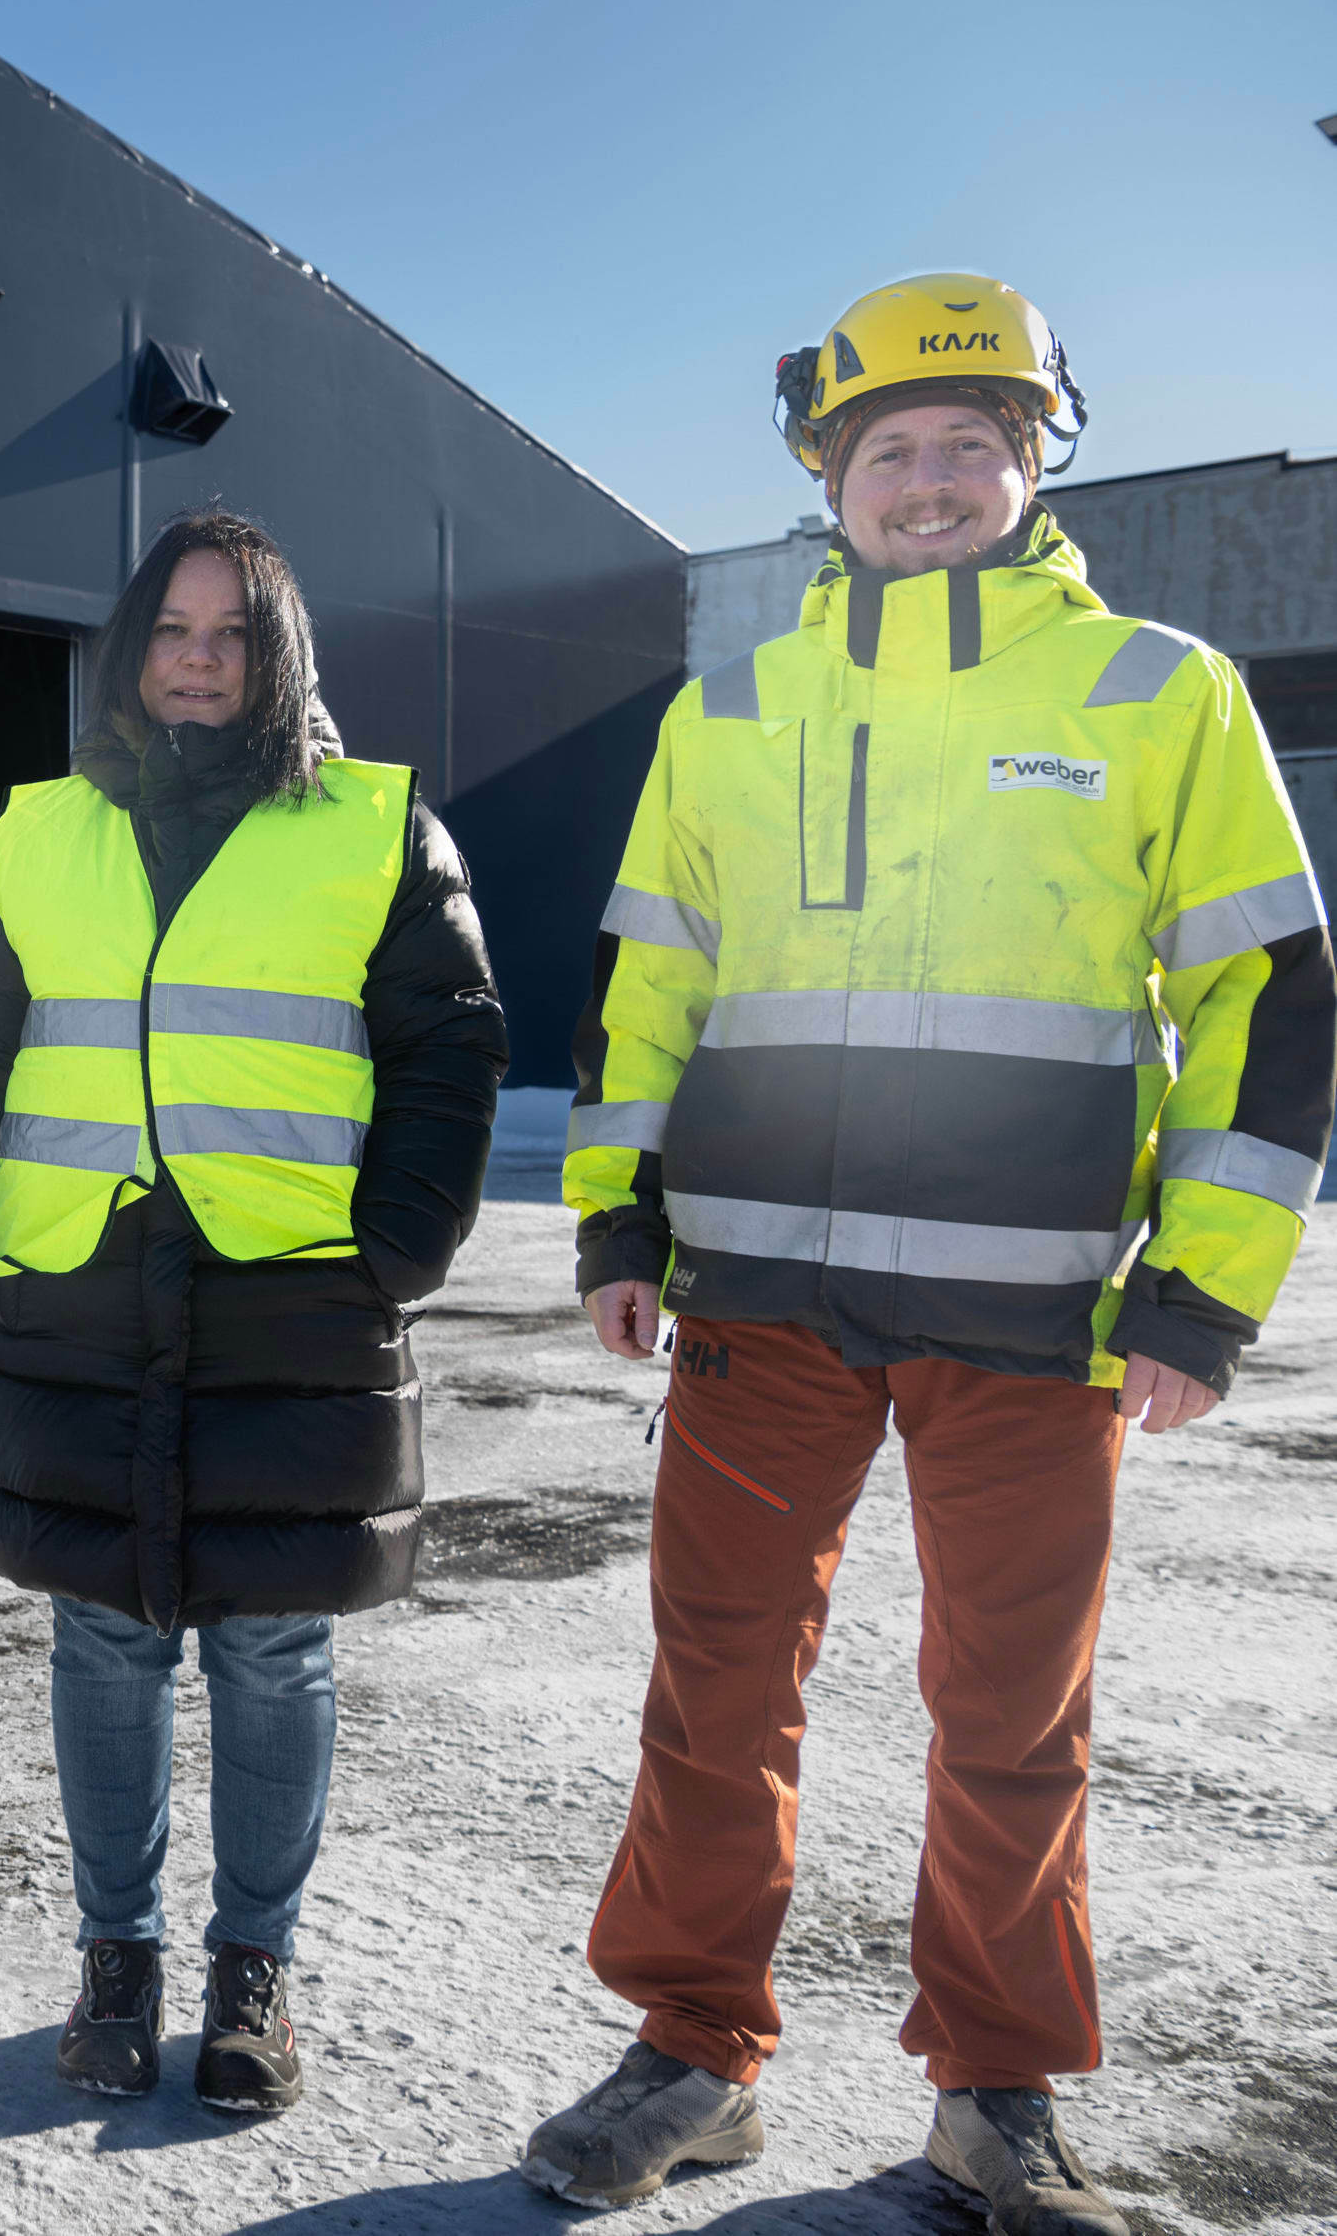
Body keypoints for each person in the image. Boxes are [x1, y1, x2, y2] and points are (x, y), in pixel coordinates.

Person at [525, 274, 1330, 2235]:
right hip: (756, 1301)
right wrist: (616, 1213)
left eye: (975, 440)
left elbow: (1271, 999)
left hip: (1034, 1309)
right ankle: (693, 2055)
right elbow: (648, 980)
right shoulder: (729, 708)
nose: (933, 477)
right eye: (892, 446)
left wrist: (1203, 1285)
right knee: (713, 1686)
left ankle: (994, 2095)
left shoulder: (1155, 690)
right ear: (830, 474)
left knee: (1008, 1714)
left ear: (1038, 458)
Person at [0, 508, 504, 2110]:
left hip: (292, 1290)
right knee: (104, 1631)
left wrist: (398, 1253)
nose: (200, 659)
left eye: (233, 633)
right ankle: (117, 1955)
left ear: (277, 652)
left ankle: (254, 1968)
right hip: (82, 1281)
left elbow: (454, 1047)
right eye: (173, 630)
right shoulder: (31, 835)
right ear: (130, 646)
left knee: (276, 1643)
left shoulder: (377, 826)